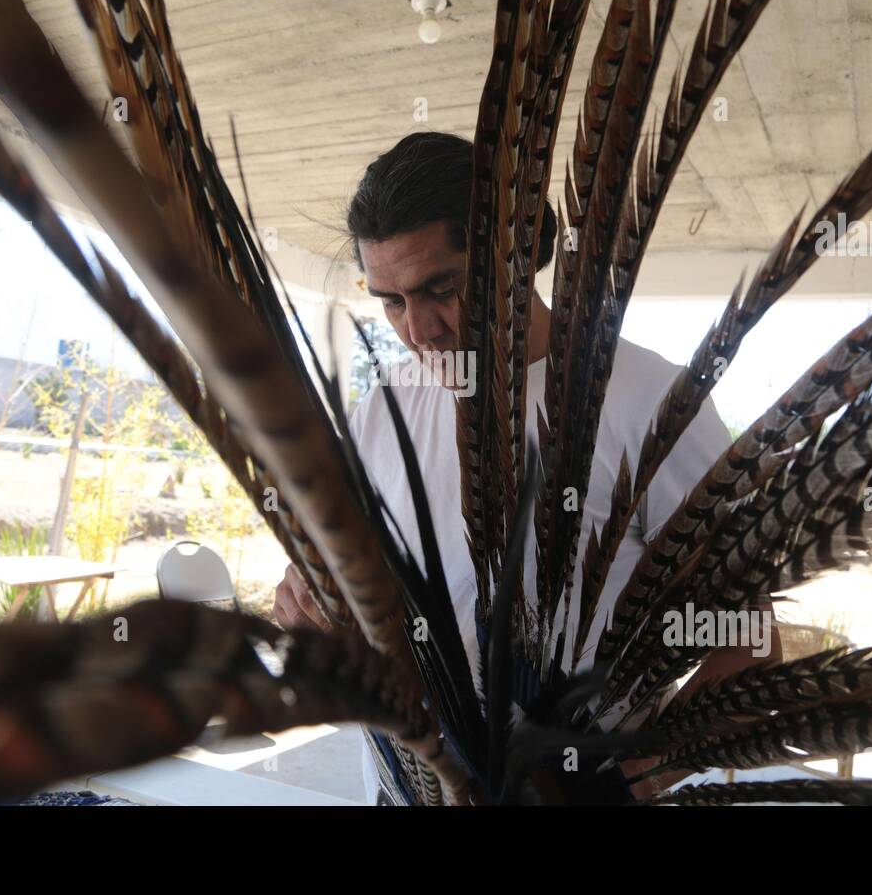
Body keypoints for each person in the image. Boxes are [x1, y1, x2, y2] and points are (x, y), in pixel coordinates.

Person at [273, 131, 778, 803]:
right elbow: (351, 580)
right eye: (391, 301)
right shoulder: (384, 409)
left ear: (517, 255)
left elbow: (750, 641)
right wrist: (306, 607)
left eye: (441, 288)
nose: (419, 330)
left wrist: (626, 784)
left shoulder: (652, 405)